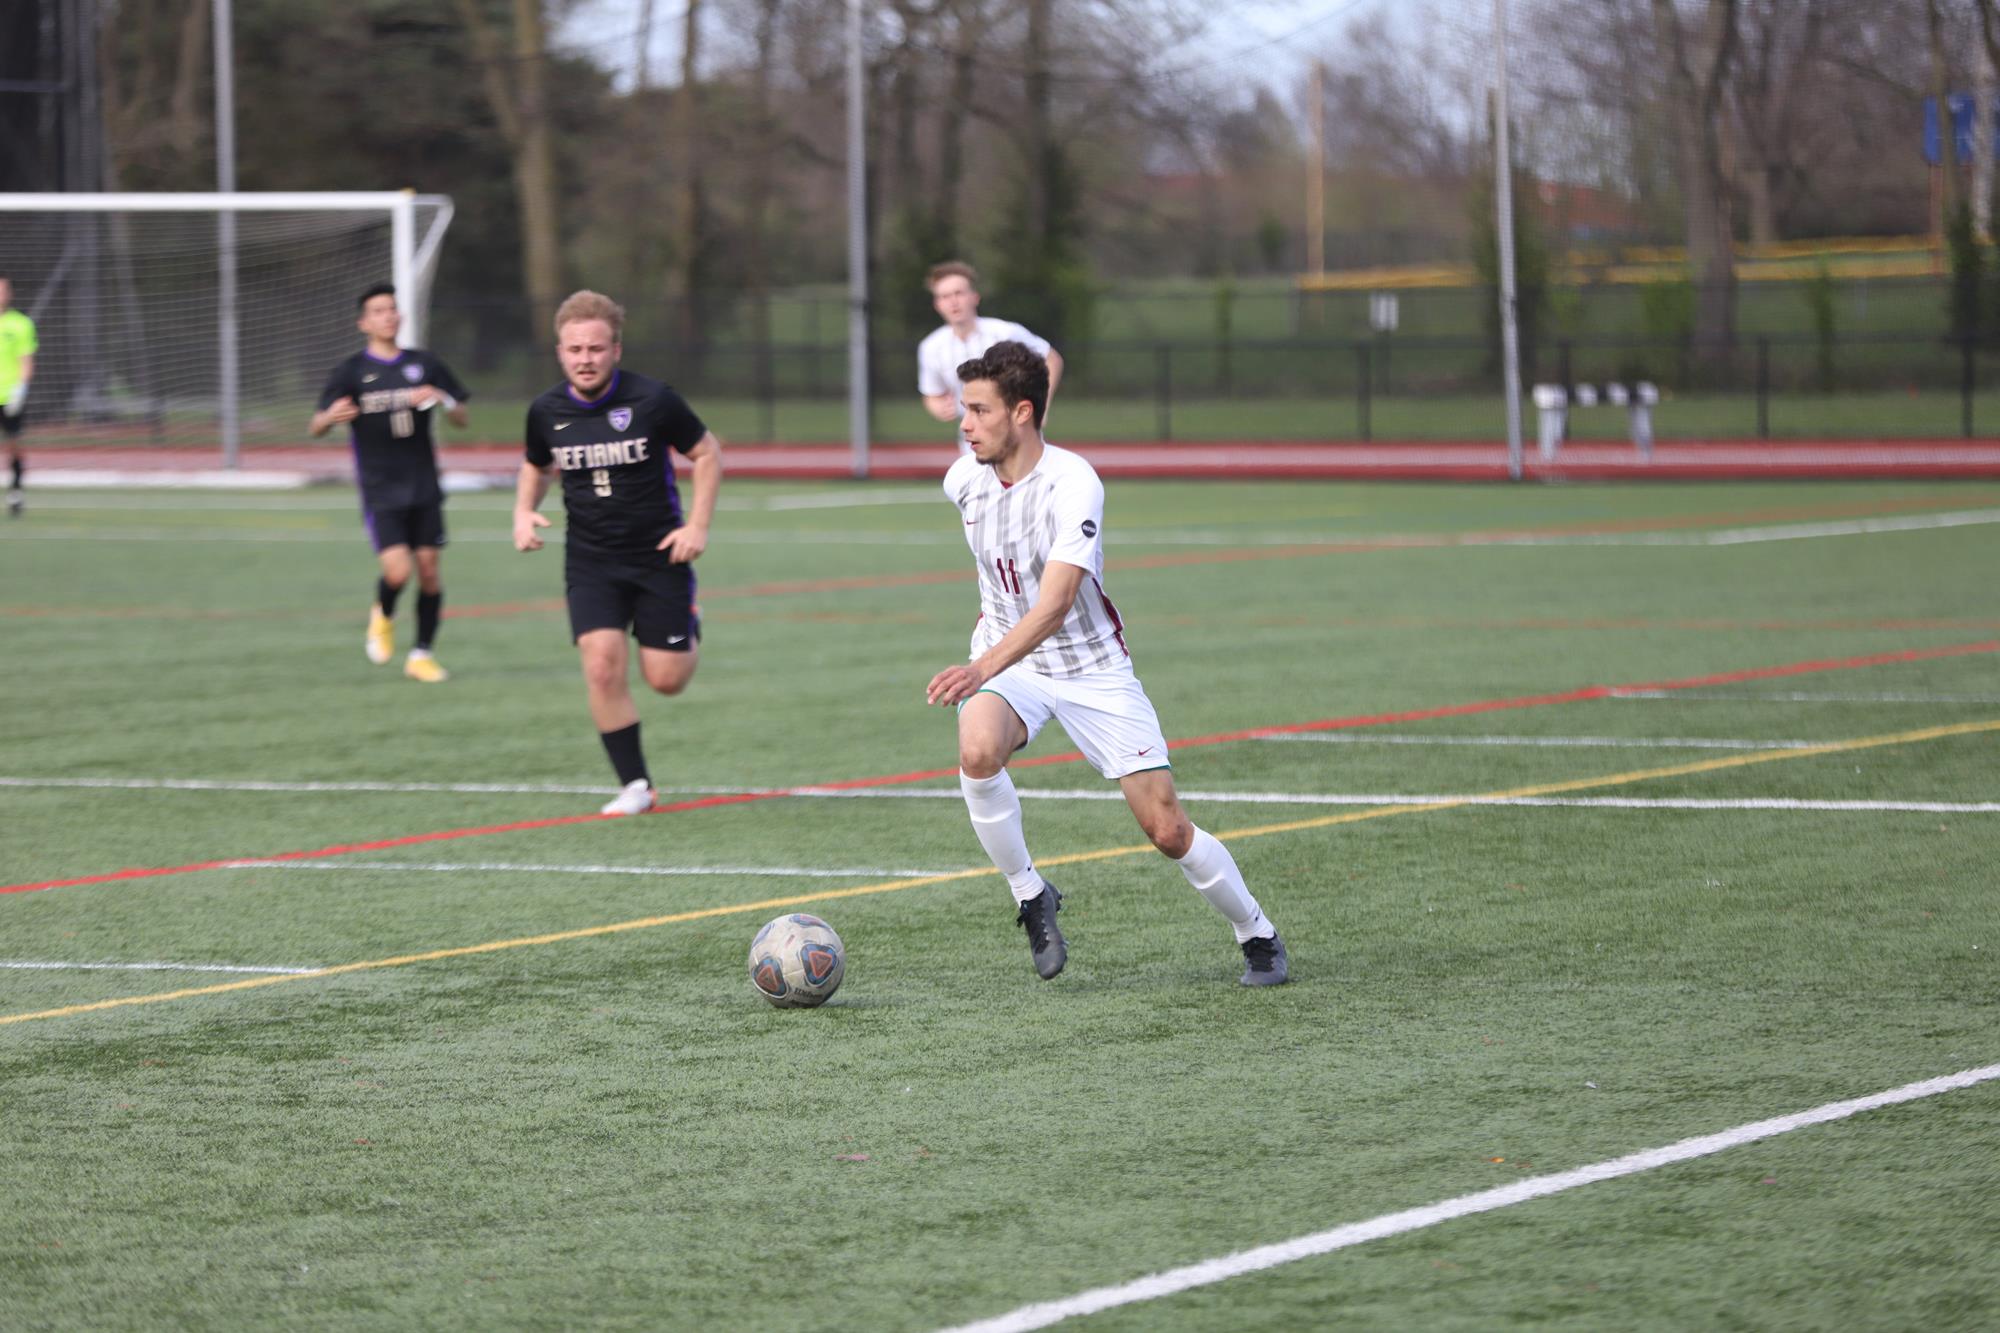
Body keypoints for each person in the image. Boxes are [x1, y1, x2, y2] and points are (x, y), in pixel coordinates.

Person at [925, 341, 1288, 986]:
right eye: (964, 410)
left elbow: (1058, 603)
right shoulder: (963, 481)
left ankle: (1255, 932)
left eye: (979, 411)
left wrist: (981, 668)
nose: (965, 424)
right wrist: (991, 667)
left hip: (1090, 667)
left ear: (1024, 413)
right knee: (978, 752)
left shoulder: (1074, 484)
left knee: (1167, 829)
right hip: (1011, 660)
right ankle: (1031, 896)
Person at [512, 290, 724, 817]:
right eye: (575, 349)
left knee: (666, 680)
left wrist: (696, 525)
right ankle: (635, 785)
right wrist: (522, 511)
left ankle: (688, 623)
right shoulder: (546, 410)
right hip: (590, 561)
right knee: (602, 667)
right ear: (560, 351)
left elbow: (706, 453)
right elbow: (537, 464)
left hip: (659, 557)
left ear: (616, 350)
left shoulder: (654, 400)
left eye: (596, 348)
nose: (585, 359)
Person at [309, 283, 470, 683]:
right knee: (398, 573)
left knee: (430, 573)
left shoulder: (424, 364)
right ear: (364, 322)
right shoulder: (350, 372)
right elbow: (316, 425)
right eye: (379, 311)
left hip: (424, 484)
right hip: (381, 487)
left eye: (393, 309)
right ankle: (382, 614)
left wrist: (441, 399)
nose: (389, 316)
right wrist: (330, 418)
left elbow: (462, 415)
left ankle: (421, 654)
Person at [917, 261, 1064, 447]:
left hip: (1017, 431)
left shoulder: (1005, 332)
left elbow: (1052, 359)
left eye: (959, 293)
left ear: (974, 297)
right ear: (937, 304)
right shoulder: (930, 347)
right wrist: (936, 407)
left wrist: (1042, 405)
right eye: (945, 296)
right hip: (972, 438)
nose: (953, 301)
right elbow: (932, 394)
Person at [0, 274, 38, 518]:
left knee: (14, 444)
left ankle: (16, 491)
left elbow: (26, 360)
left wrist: (20, 390)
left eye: (3, 290)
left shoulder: (20, 324)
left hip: (9, 396)